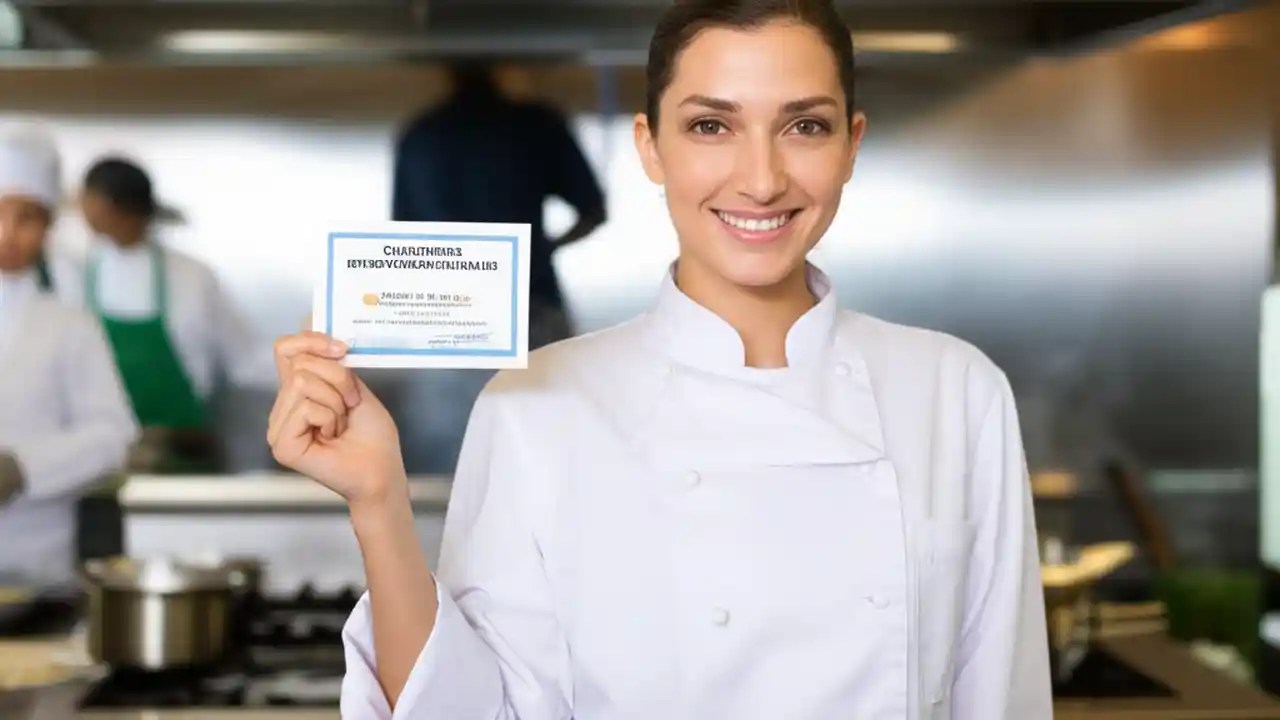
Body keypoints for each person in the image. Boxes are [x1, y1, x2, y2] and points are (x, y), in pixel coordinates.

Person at [268, 0, 1053, 717]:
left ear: (851, 145)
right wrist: (378, 502)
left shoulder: (958, 391)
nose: (760, 178)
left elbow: (1005, 699)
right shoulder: (534, 402)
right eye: (711, 125)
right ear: (650, 147)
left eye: (804, 125)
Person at [56, 157, 273, 471]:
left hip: (183, 457)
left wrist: (311, 360)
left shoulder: (191, 277)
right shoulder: (75, 274)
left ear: (104, 205)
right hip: (99, 462)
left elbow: (248, 360)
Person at [393, 61, 607, 349]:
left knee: (460, 395)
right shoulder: (537, 125)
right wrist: (544, 248)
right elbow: (594, 211)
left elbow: (401, 234)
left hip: (447, 308)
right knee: (550, 391)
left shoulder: (419, 135)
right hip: (530, 299)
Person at [0, 128, 136, 582]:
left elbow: (113, 436)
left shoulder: (70, 325)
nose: (8, 233)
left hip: (37, 570)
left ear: (48, 227)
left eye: (27, 217)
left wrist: (23, 468)